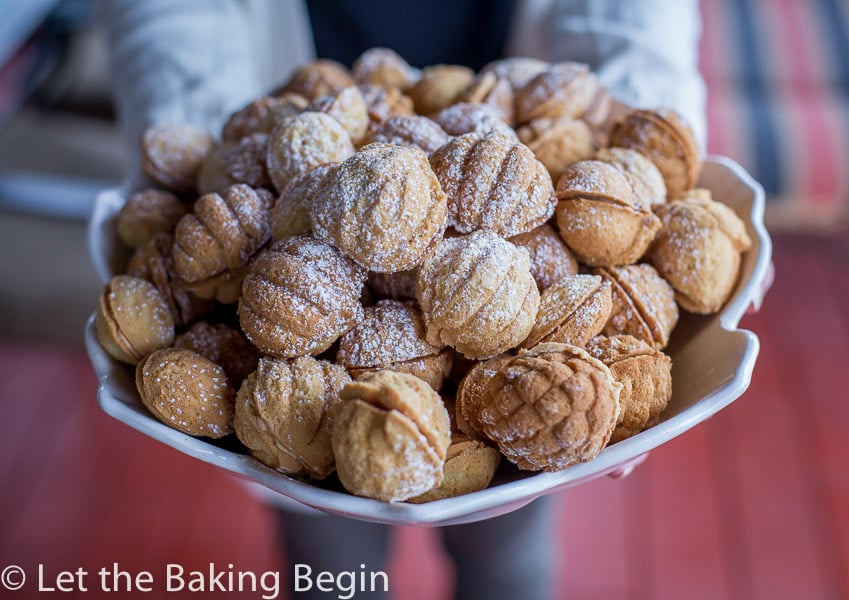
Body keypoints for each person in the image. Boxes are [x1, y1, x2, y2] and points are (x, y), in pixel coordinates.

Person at [98, 2, 705, 598]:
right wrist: (194, 111)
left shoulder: (501, 224)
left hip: (496, 86)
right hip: (282, 88)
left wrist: (638, 87)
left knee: (508, 552)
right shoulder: (325, 204)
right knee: (330, 572)